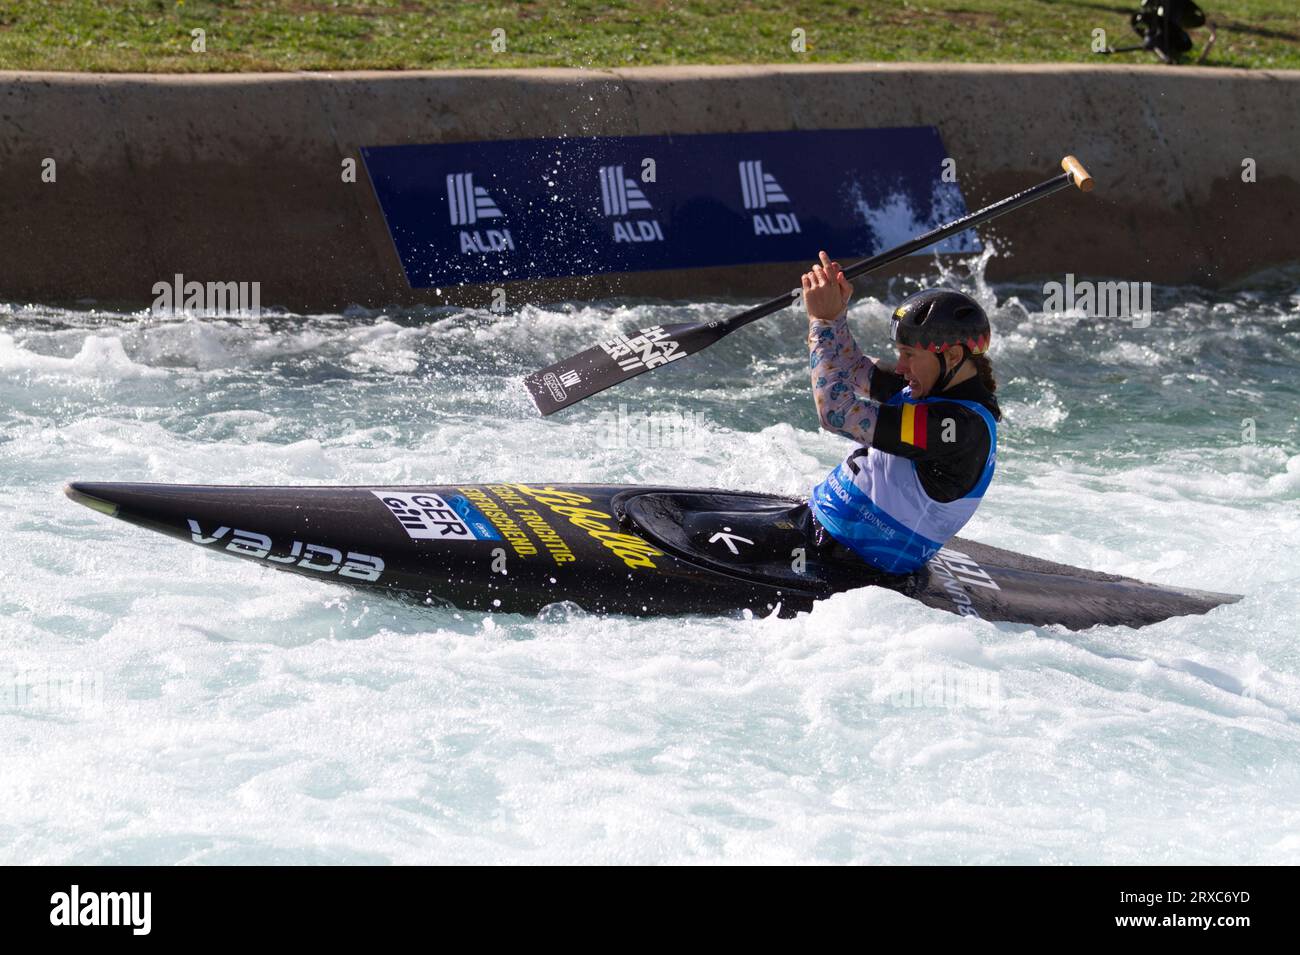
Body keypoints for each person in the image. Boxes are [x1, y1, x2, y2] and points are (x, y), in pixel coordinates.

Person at [801, 251, 1002, 574]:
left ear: (951, 356)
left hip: (850, 564)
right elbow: (853, 368)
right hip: (818, 529)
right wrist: (836, 315)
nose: (901, 366)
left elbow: (836, 413)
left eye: (909, 354)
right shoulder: (928, 387)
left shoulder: (955, 430)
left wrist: (821, 322)